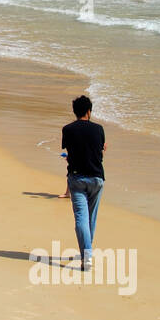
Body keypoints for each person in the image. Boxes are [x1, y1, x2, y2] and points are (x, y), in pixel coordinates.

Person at [62, 94, 106, 271]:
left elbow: (70, 153)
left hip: (77, 178)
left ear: (75, 112)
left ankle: (86, 253)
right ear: (89, 111)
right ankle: (87, 251)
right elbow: (99, 153)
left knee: (81, 217)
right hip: (96, 178)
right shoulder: (99, 129)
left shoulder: (67, 129)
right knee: (90, 217)